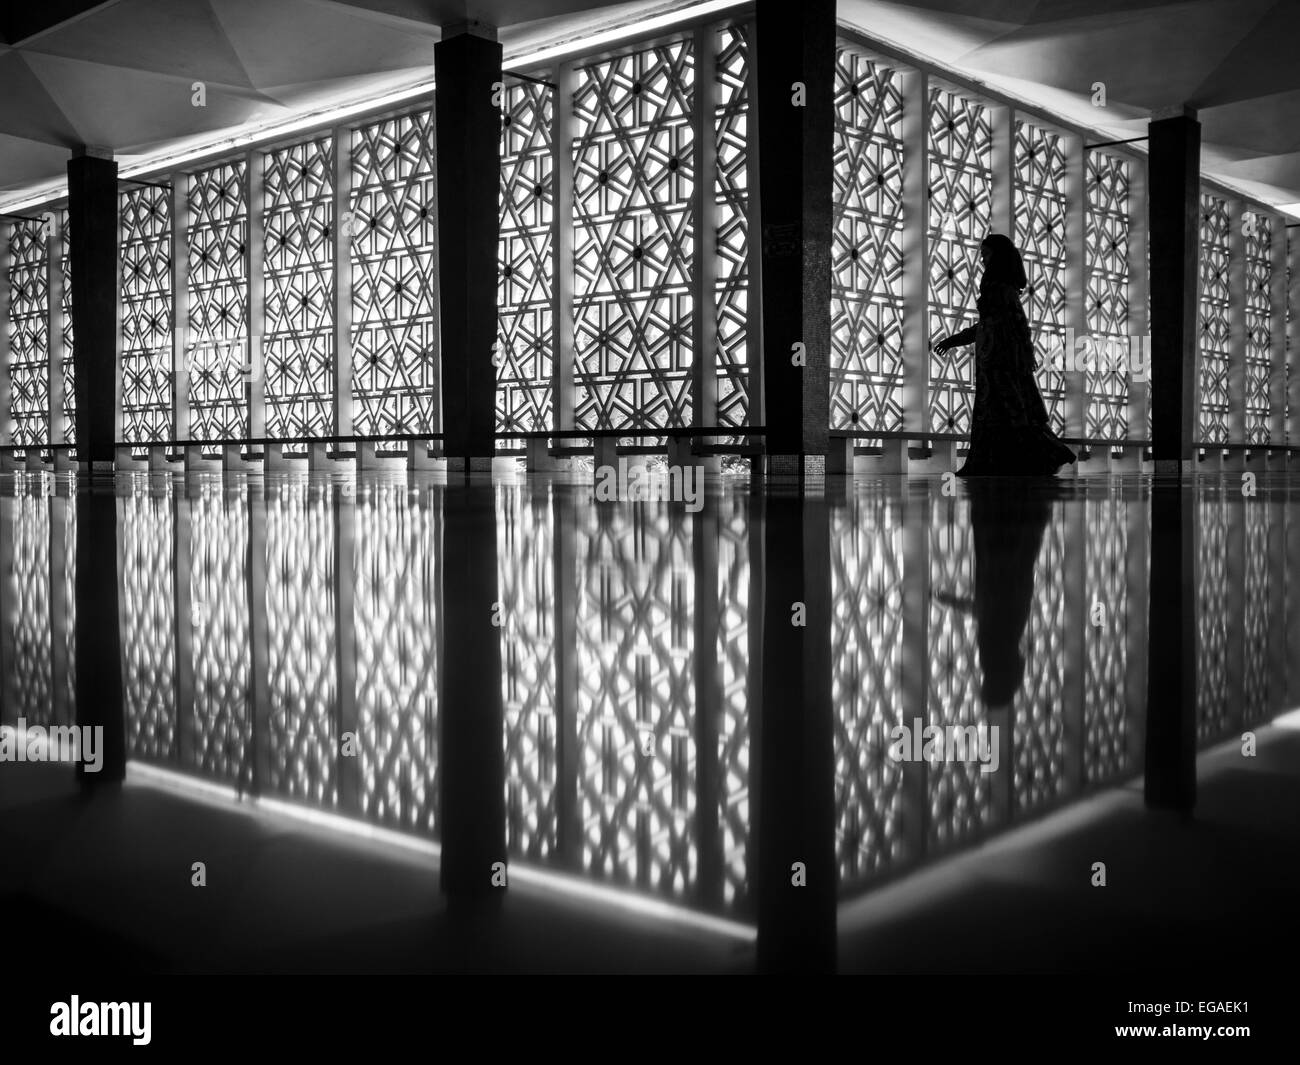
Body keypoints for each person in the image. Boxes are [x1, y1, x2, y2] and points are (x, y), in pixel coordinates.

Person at [930, 234, 1076, 476]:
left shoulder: (999, 289)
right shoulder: (1001, 289)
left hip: (999, 363)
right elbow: (993, 326)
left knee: (1005, 413)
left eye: (987, 255)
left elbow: (1012, 325)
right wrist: (956, 340)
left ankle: (1028, 460)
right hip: (996, 361)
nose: (984, 261)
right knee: (1008, 413)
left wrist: (958, 340)